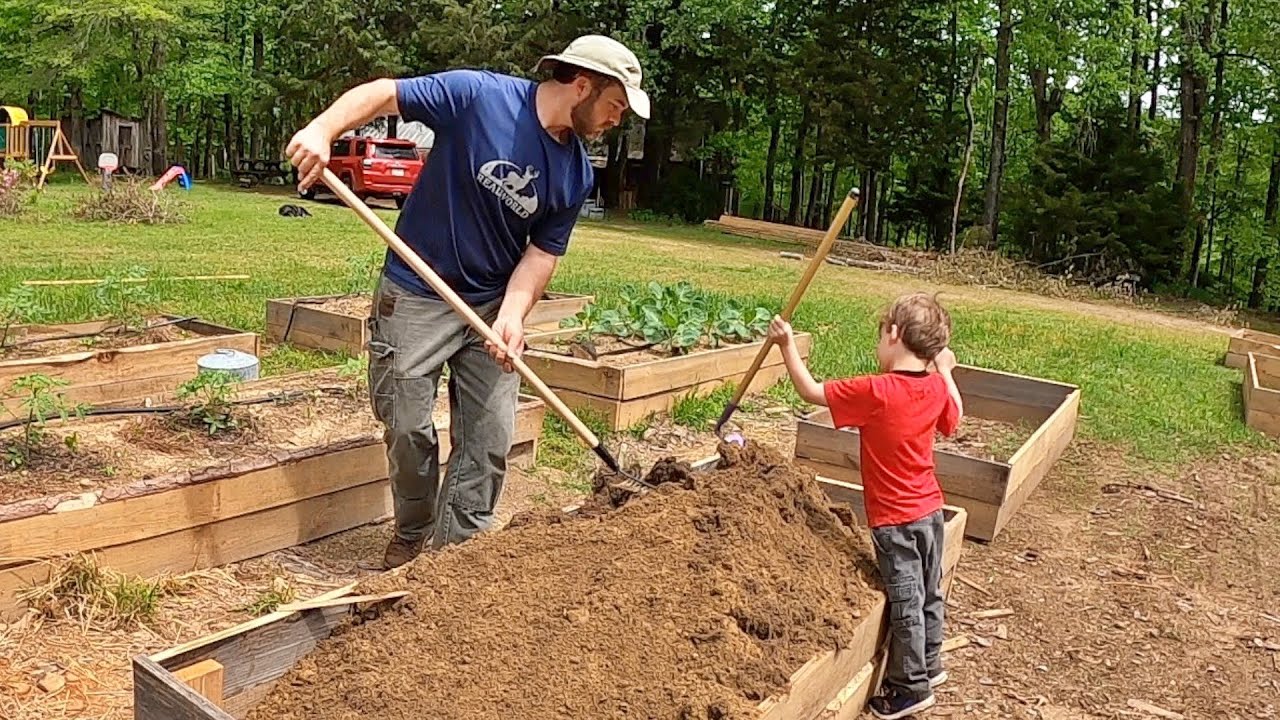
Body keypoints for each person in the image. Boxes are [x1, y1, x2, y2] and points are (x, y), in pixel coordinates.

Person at [284, 35, 651, 569]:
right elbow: (384, 93)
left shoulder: (576, 172)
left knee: (490, 438)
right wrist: (322, 130)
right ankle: (413, 531)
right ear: (583, 84)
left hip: (490, 306)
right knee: (407, 426)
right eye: (617, 105)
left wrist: (511, 314)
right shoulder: (479, 96)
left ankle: (456, 561)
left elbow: (542, 255)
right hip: (415, 293)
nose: (619, 120)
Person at [766, 292, 964, 720]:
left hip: (895, 521)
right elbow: (955, 419)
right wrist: (945, 372)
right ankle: (930, 663)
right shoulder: (933, 387)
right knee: (930, 593)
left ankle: (910, 687)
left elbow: (811, 392)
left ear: (893, 335)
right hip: (931, 511)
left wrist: (786, 345)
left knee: (905, 601)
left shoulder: (877, 390)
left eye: (880, 334)